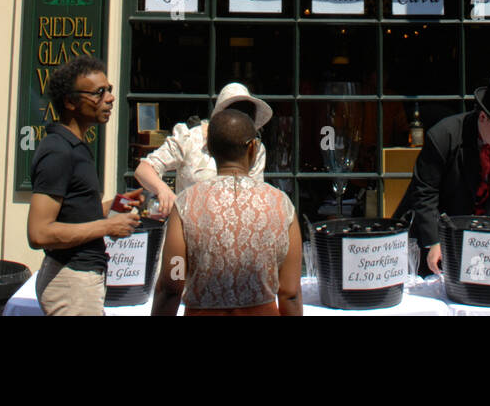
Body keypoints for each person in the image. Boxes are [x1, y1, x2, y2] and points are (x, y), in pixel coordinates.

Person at [393, 73, 490, 275]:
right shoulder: (444, 136)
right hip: (439, 242)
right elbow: (424, 194)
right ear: (483, 117)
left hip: (489, 251)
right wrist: (434, 242)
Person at [151, 108, 301, 316]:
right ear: (253, 149)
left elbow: (172, 285)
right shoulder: (281, 205)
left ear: (210, 149)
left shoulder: (187, 204)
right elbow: (290, 293)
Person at [28, 56, 141, 315]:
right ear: (70, 102)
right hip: (72, 282)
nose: (110, 98)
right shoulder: (58, 152)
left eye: (109, 90)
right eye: (99, 93)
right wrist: (108, 226)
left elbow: (74, 213)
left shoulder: (74, 146)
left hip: (79, 280)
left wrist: (116, 206)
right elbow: (39, 233)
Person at [134, 82, 270, 216]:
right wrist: (163, 190)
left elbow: (254, 192)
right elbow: (144, 169)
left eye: (247, 115)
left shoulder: (255, 149)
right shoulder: (189, 139)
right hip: (186, 227)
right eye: (236, 112)